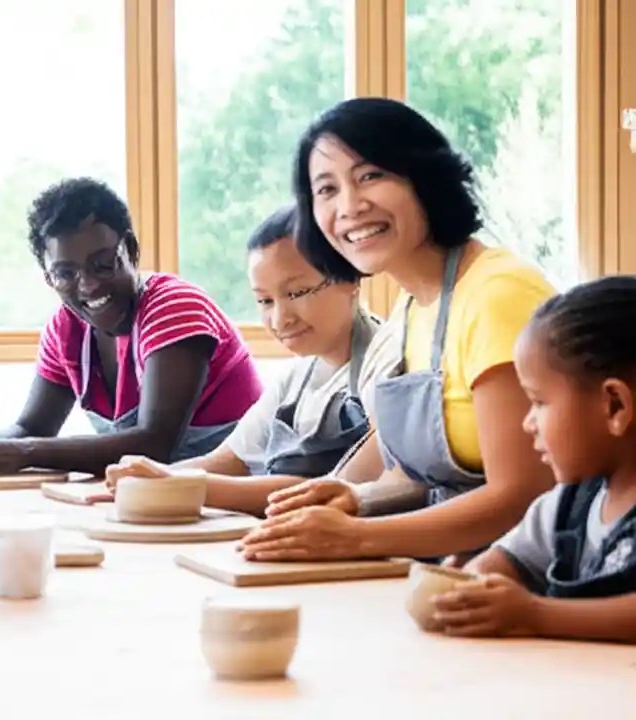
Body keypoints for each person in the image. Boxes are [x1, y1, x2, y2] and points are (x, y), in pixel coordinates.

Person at [237, 97, 558, 563]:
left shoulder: (497, 293)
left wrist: (354, 537)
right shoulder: (412, 307)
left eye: (370, 176)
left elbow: (521, 496)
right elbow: (414, 476)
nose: (349, 207)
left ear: (424, 178)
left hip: (523, 572)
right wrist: (354, 500)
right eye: (326, 190)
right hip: (452, 561)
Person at [0, 177, 263, 476]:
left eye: (103, 265)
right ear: (49, 279)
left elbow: (154, 443)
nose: (88, 286)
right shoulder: (66, 330)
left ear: (131, 250)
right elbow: (30, 428)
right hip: (167, 503)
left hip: (241, 502)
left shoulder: (173, 307)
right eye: (66, 274)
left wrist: (23, 452)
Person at [105, 205, 397, 516]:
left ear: (349, 276)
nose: (280, 318)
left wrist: (177, 484)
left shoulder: (386, 363)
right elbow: (231, 460)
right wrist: (143, 479)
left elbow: (333, 490)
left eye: (297, 293)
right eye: (265, 301)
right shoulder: (297, 376)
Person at [432, 277, 636, 642]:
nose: (528, 423)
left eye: (539, 402)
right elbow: (503, 564)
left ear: (615, 406)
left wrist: (536, 615)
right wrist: (472, 587)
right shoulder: (565, 506)